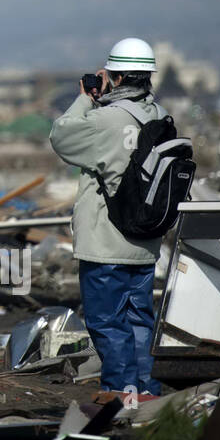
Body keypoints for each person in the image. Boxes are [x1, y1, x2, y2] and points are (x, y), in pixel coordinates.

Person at [48, 37, 164, 399]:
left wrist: (86, 97)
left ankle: (120, 390)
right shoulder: (159, 117)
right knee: (139, 320)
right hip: (144, 243)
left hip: (105, 244)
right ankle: (145, 390)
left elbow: (61, 136)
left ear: (113, 77)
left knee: (107, 322)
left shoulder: (104, 120)